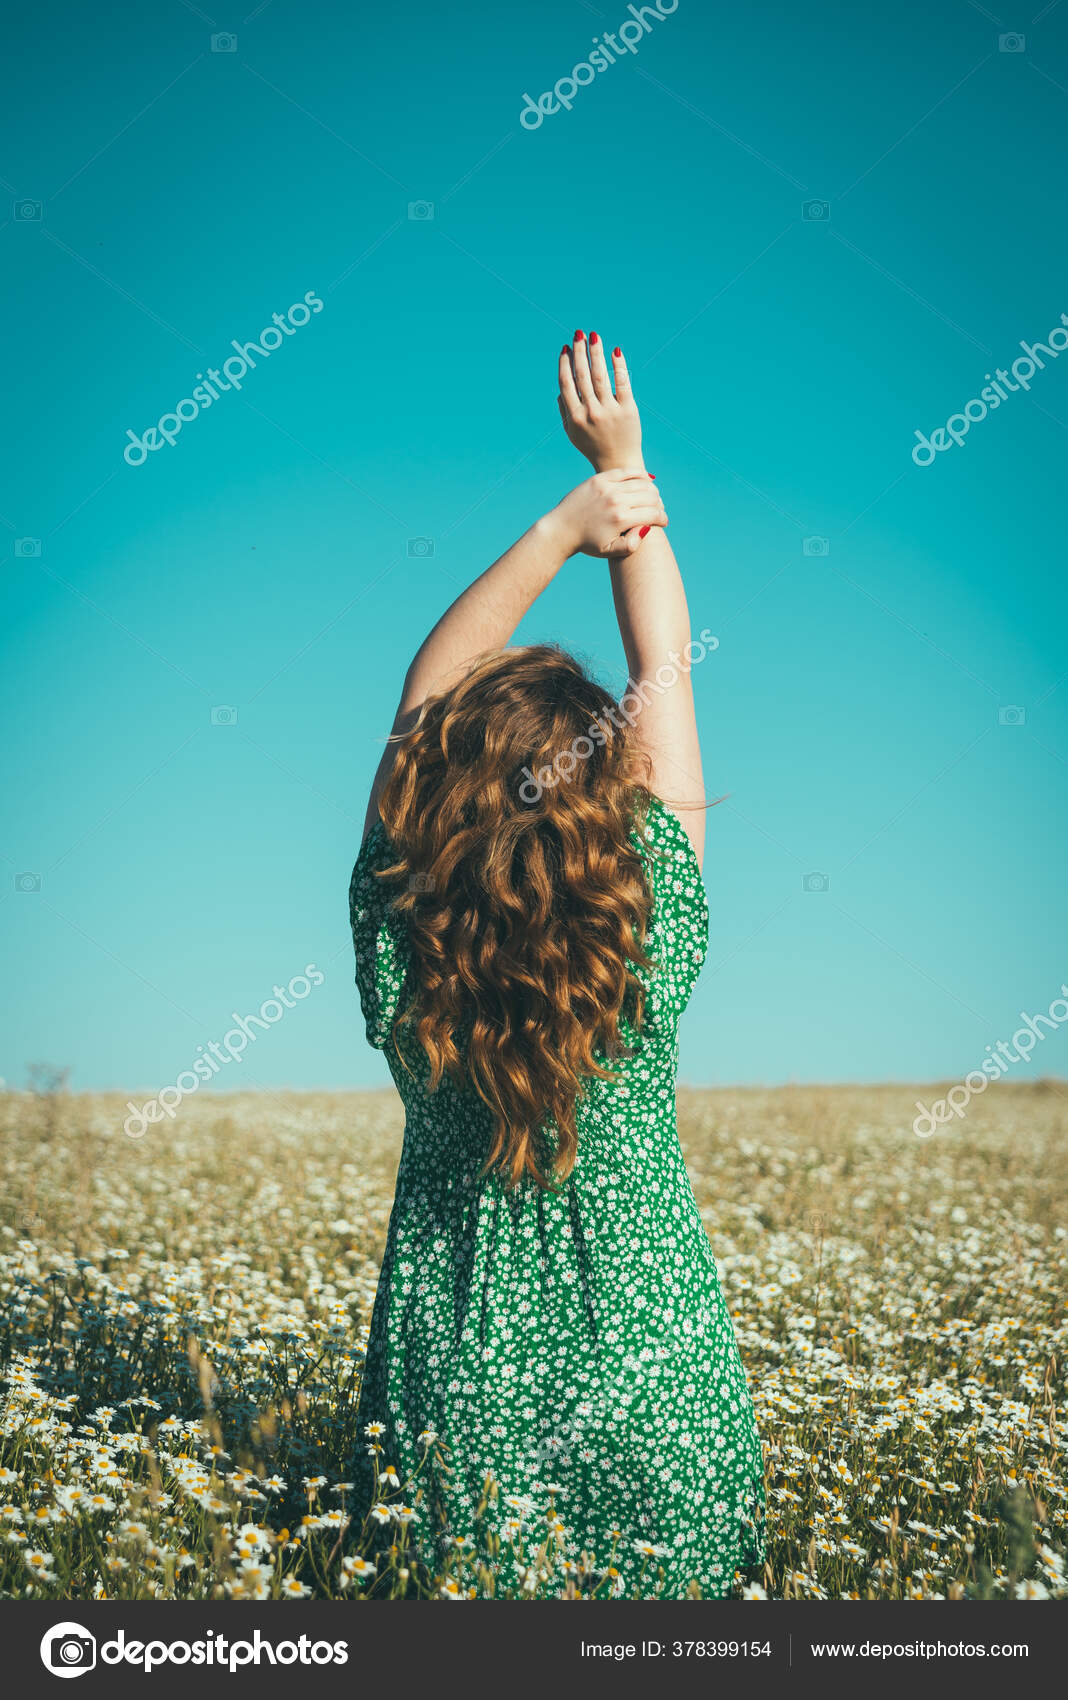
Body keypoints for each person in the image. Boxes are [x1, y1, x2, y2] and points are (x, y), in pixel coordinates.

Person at [348, 332, 764, 1598]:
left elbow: (420, 709)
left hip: (454, 1395)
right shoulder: (653, 915)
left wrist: (557, 525)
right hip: (661, 1392)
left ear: (436, 805)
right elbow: (662, 671)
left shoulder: (401, 935)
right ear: (611, 801)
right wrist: (626, 485)